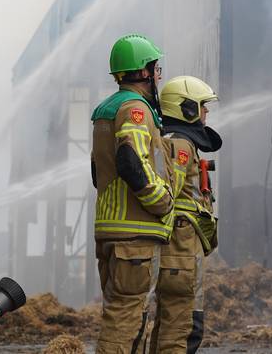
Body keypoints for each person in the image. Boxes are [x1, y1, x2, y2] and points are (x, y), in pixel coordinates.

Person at [91, 33, 176, 354]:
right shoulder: (134, 109)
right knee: (126, 318)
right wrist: (161, 202)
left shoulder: (106, 111)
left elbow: (98, 172)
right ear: (142, 71)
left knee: (126, 315)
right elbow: (131, 159)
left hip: (111, 229)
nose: (159, 76)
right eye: (156, 69)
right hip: (134, 232)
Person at [151, 75, 223, 354]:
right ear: (187, 108)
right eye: (202, 106)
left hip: (182, 245)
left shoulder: (175, 141)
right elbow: (167, 193)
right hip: (180, 247)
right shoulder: (180, 145)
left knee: (173, 324)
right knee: (183, 327)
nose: (206, 112)